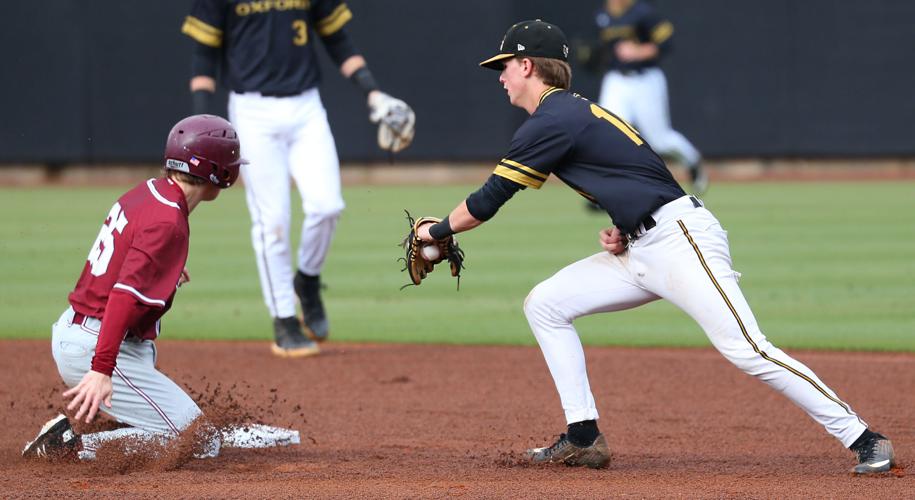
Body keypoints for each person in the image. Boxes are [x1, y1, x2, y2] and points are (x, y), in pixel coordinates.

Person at [417, 19, 895, 474]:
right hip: (641, 247)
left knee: (746, 347)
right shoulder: (569, 114)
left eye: (504, 66)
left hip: (680, 240)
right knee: (545, 303)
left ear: (527, 66)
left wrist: (434, 233)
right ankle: (583, 436)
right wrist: (624, 226)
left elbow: (487, 201)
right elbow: (638, 176)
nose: (500, 77)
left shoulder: (553, 117)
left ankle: (864, 437)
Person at [181, 0, 415, 358]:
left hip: (306, 106)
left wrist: (372, 91)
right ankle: (284, 319)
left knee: (327, 206)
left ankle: (306, 279)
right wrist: (202, 122)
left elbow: (337, 39)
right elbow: (203, 55)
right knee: (271, 220)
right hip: (252, 110)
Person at [22, 115, 244, 460]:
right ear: (221, 173)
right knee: (199, 442)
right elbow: (123, 294)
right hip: (96, 346)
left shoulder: (148, 192)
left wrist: (165, 270)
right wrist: (101, 369)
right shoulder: (168, 220)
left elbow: (124, 256)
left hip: (80, 330)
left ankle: (119, 425)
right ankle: (68, 447)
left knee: (176, 424)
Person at [580, 0, 707, 195]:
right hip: (616, 80)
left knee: (660, 140)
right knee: (608, 132)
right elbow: (598, 50)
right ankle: (608, 190)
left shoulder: (643, 12)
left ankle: (692, 161)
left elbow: (666, 42)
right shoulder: (602, 17)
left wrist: (639, 51)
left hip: (645, 79)